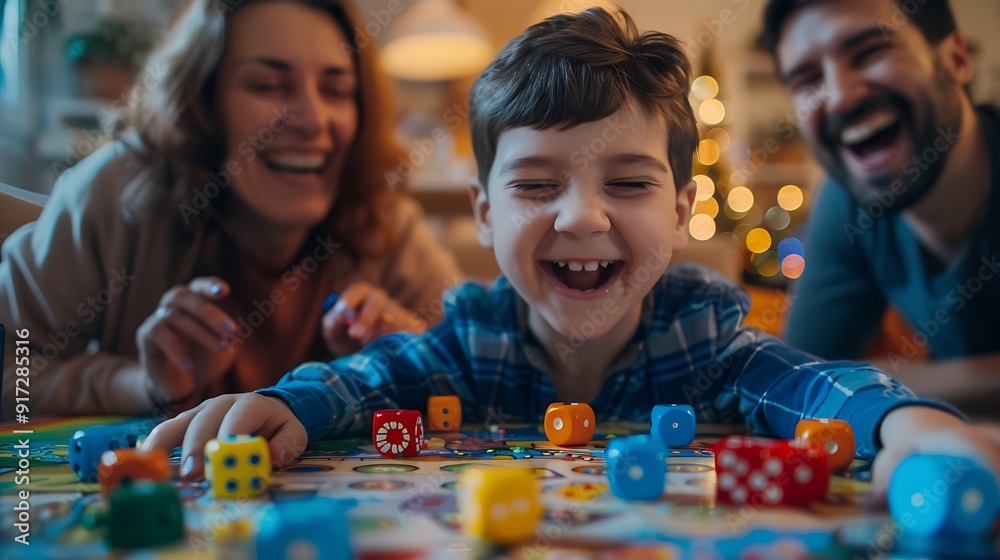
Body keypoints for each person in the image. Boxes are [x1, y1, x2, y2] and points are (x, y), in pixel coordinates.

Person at [145, 7, 1000, 497]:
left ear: (684, 211)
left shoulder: (702, 339)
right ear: (483, 213)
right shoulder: (469, 341)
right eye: (535, 186)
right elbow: (371, 378)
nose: (582, 218)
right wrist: (288, 406)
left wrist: (902, 420)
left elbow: (808, 380)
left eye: (629, 184)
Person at [0, 0, 462, 419]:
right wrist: (144, 383)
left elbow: (484, 358)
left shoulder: (379, 219)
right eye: (268, 84)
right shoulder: (112, 194)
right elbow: (12, 374)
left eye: (336, 90)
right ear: (202, 101)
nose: (314, 119)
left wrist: (409, 356)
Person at [766, 0, 1000, 415]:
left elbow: (827, 380)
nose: (838, 98)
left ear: (956, 60)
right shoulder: (846, 203)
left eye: (871, 52)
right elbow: (801, 382)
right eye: (808, 80)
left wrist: (869, 380)